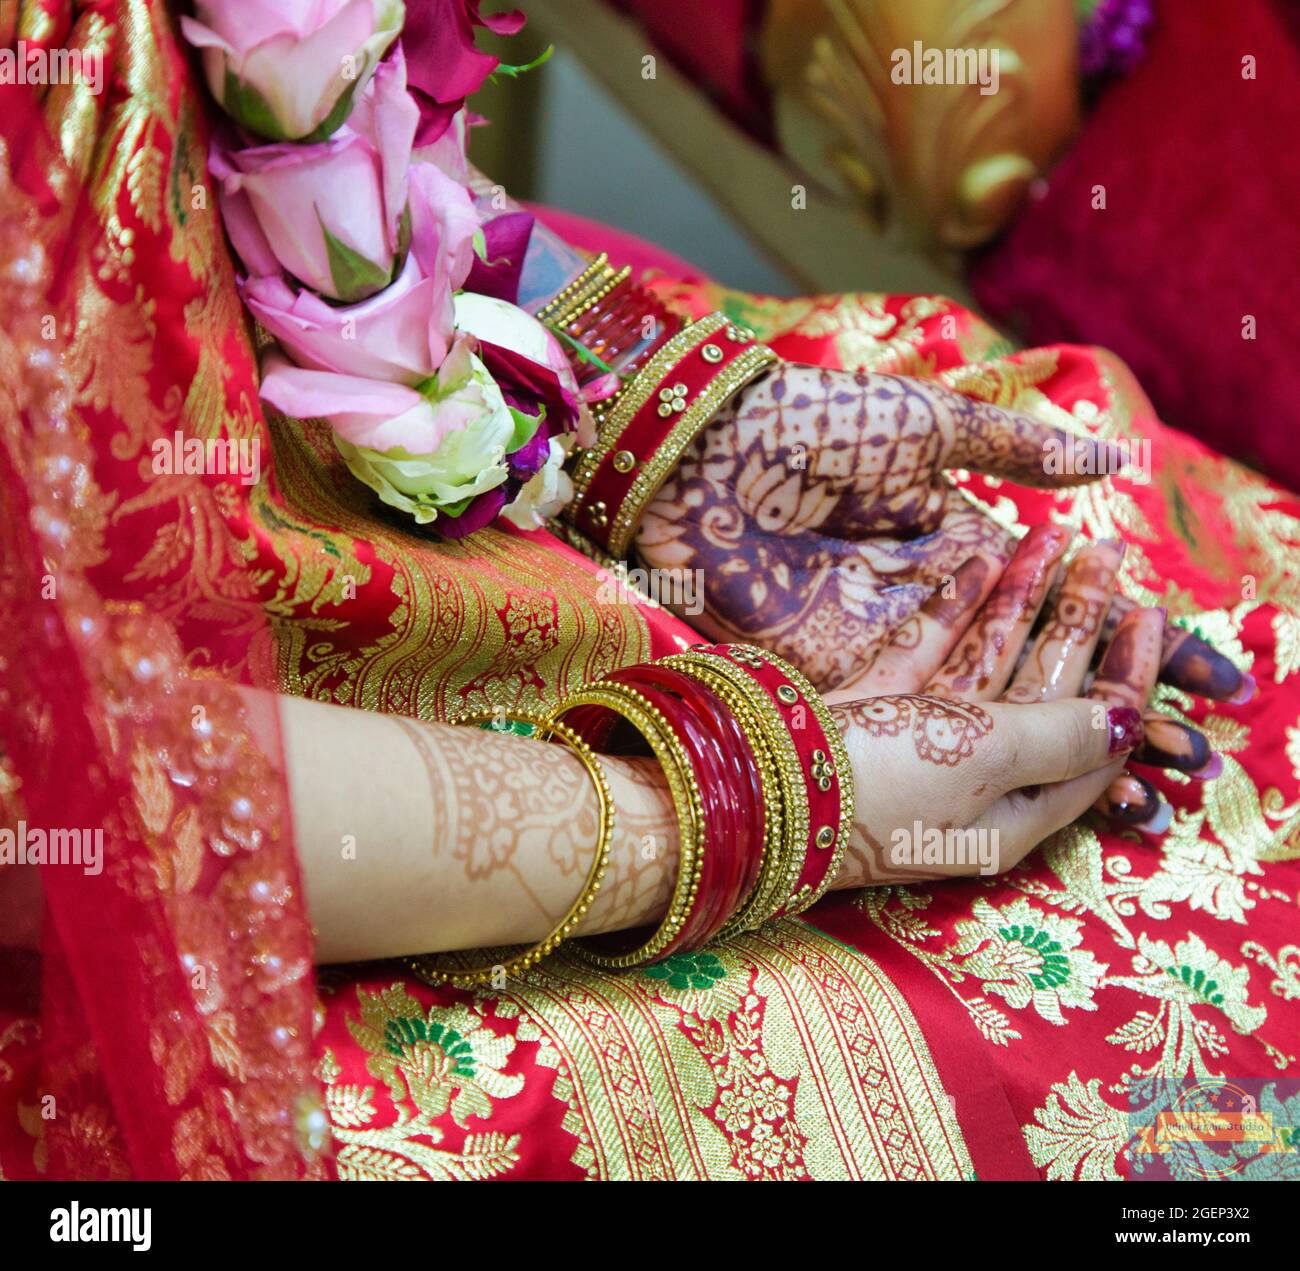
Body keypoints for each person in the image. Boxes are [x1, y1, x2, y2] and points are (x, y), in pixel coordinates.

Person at [0, 0, 1292, 1182]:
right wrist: (735, 802)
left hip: (356, 408)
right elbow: (49, 806)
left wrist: (652, 408)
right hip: (172, 861)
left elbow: (296, 96)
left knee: (1187, 601)